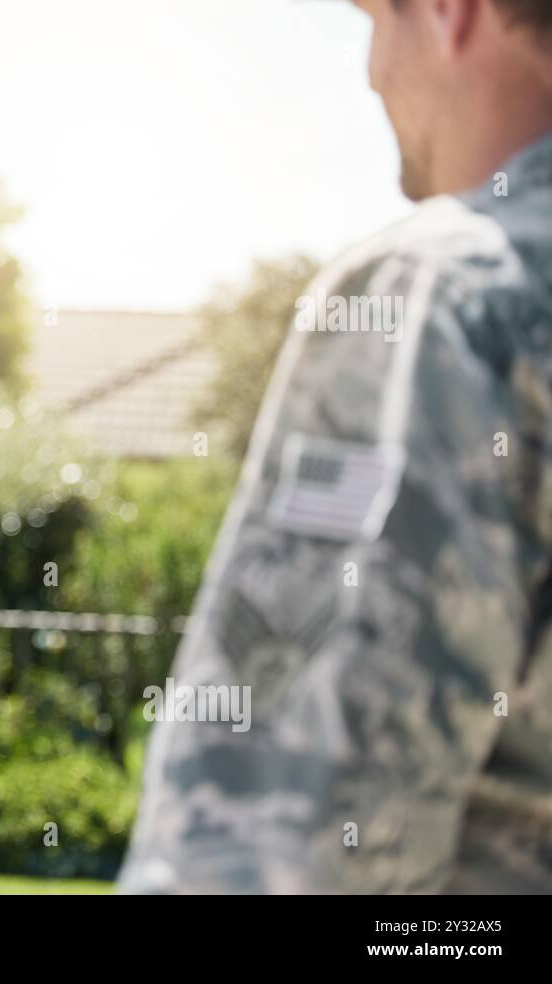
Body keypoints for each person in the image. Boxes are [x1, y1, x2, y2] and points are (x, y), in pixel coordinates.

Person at [118, 0, 552, 892]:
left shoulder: (445, 295)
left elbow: (274, 849)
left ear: (448, 13)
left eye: (373, 20)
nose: (368, 71)